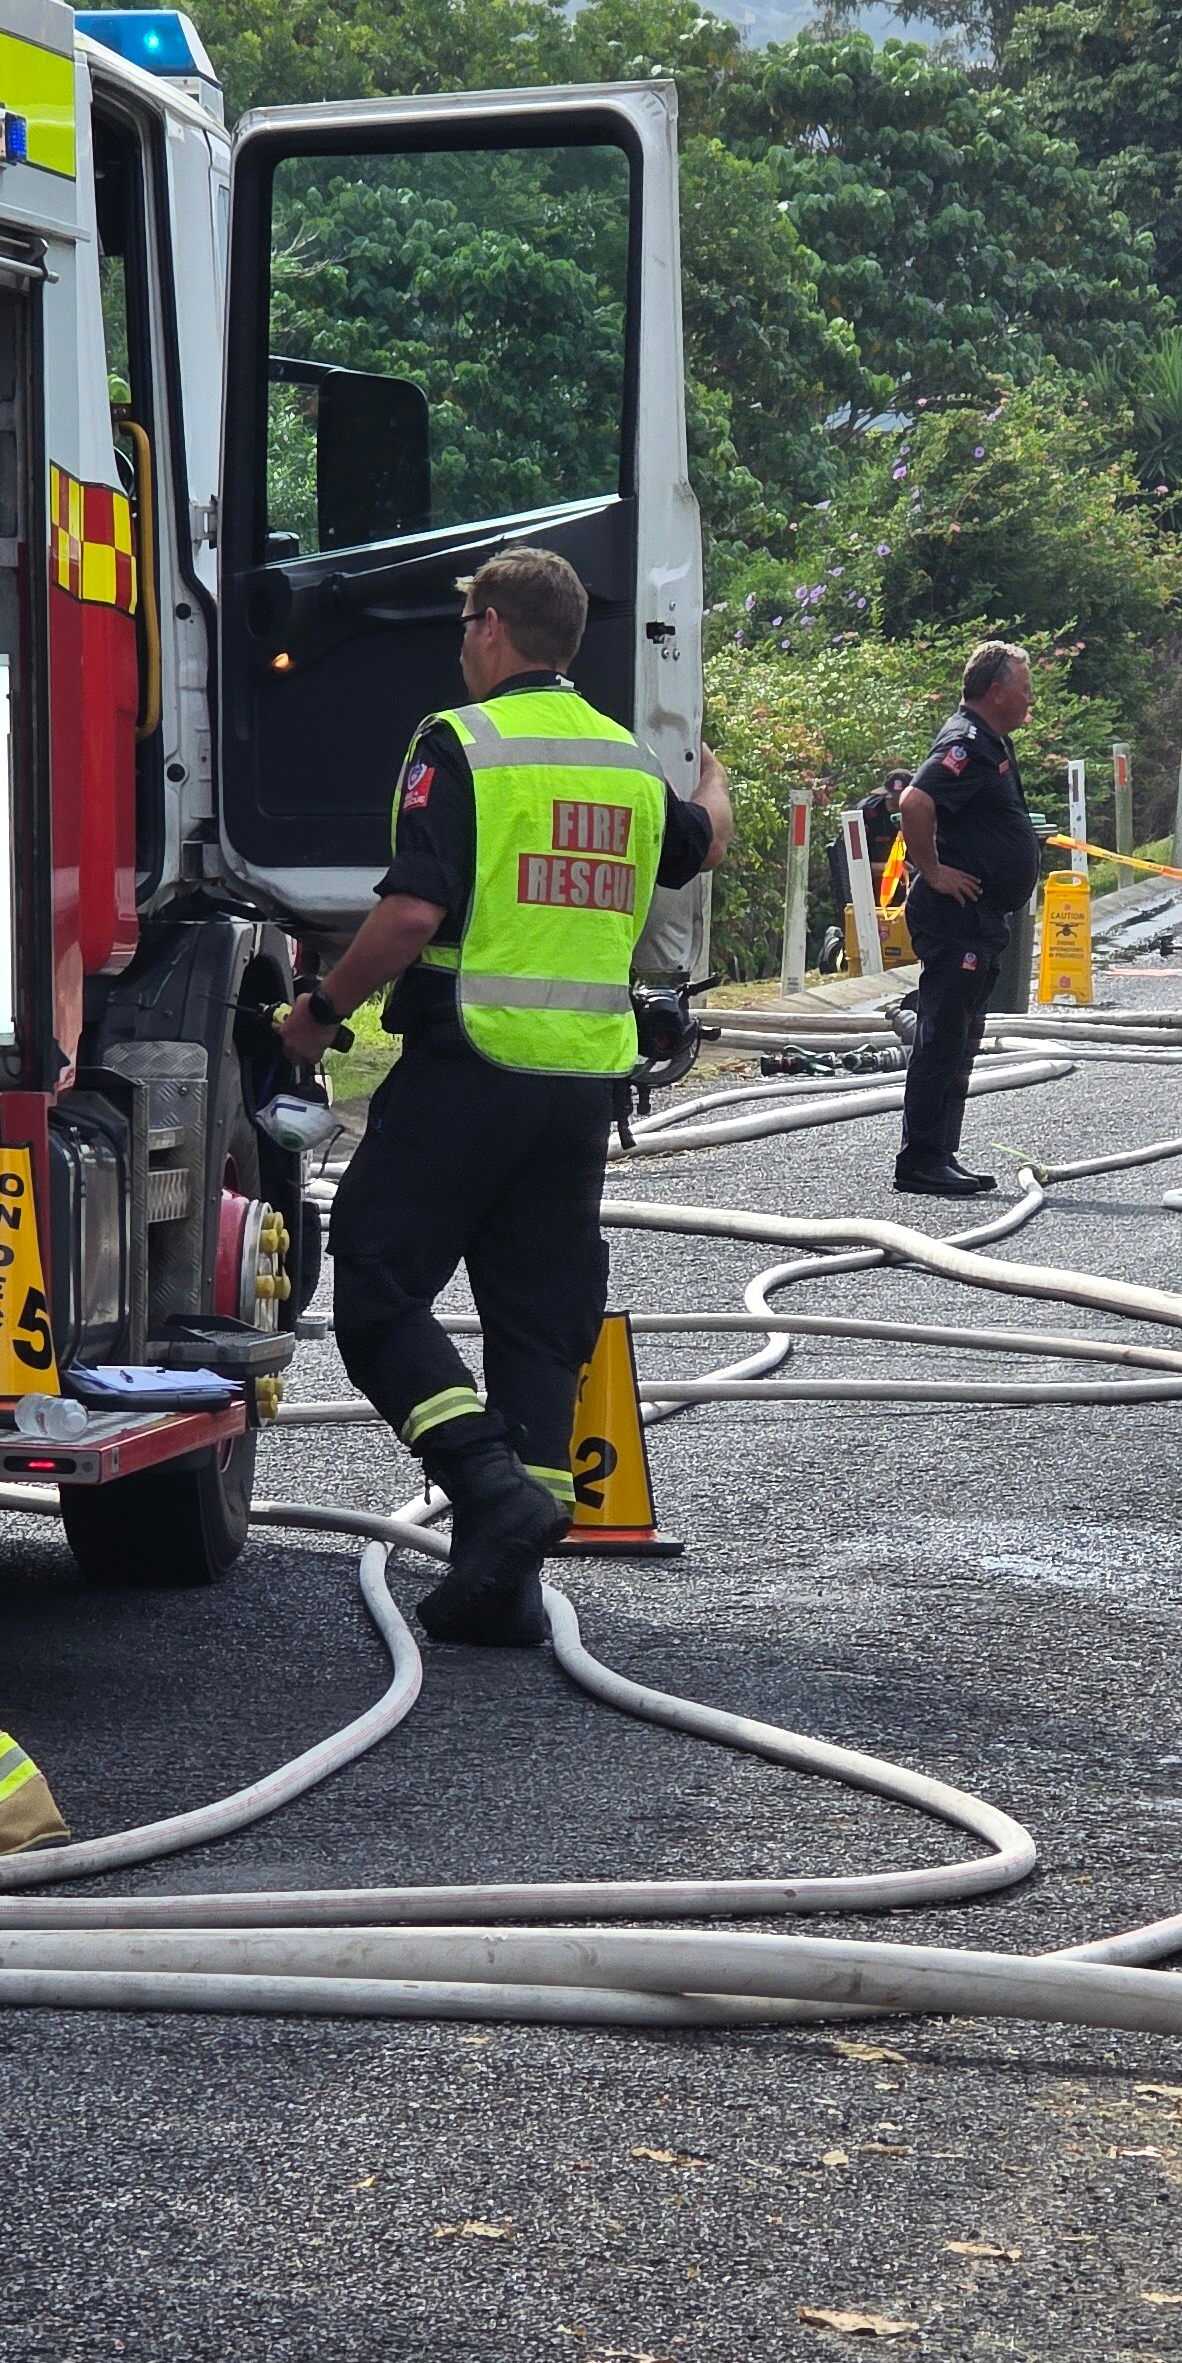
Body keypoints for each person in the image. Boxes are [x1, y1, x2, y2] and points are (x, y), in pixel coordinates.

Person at [281, 543, 730, 1642]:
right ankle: (504, 1587)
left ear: (488, 627)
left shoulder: (463, 744)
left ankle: (486, 1481)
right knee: (539, 1322)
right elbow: (699, 843)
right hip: (582, 1086)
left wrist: (319, 1014)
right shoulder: (625, 762)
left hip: (469, 1068)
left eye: (465, 625)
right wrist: (709, 778)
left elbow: (410, 915)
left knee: (380, 1290)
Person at [891, 640, 1040, 1199]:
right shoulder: (966, 741)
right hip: (956, 917)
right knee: (944, 1035)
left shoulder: (991, 742)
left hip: (978, 919)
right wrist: (934, 872)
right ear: (997, 691)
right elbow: (914, 803)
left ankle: (940, 1152)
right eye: (1024, 689)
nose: (1030, 700)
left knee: (962, 1038)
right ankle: (922, 1158)